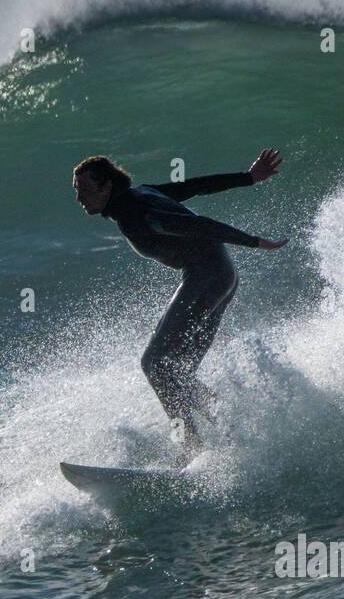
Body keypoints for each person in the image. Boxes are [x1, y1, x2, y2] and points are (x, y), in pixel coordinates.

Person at [73, 148, 286, 452]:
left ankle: (191, 448)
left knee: (155, 365)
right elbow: (193, 186)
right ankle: (240, 427)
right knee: (176, 374)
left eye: (84, 190)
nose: (79, 198)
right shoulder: (138, 196)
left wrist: (254, 242)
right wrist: (249, 177)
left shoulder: (135, 214)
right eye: (76, 190)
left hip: (208, 277)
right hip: (220, 277)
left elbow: (198, 226)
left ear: (107, 186)